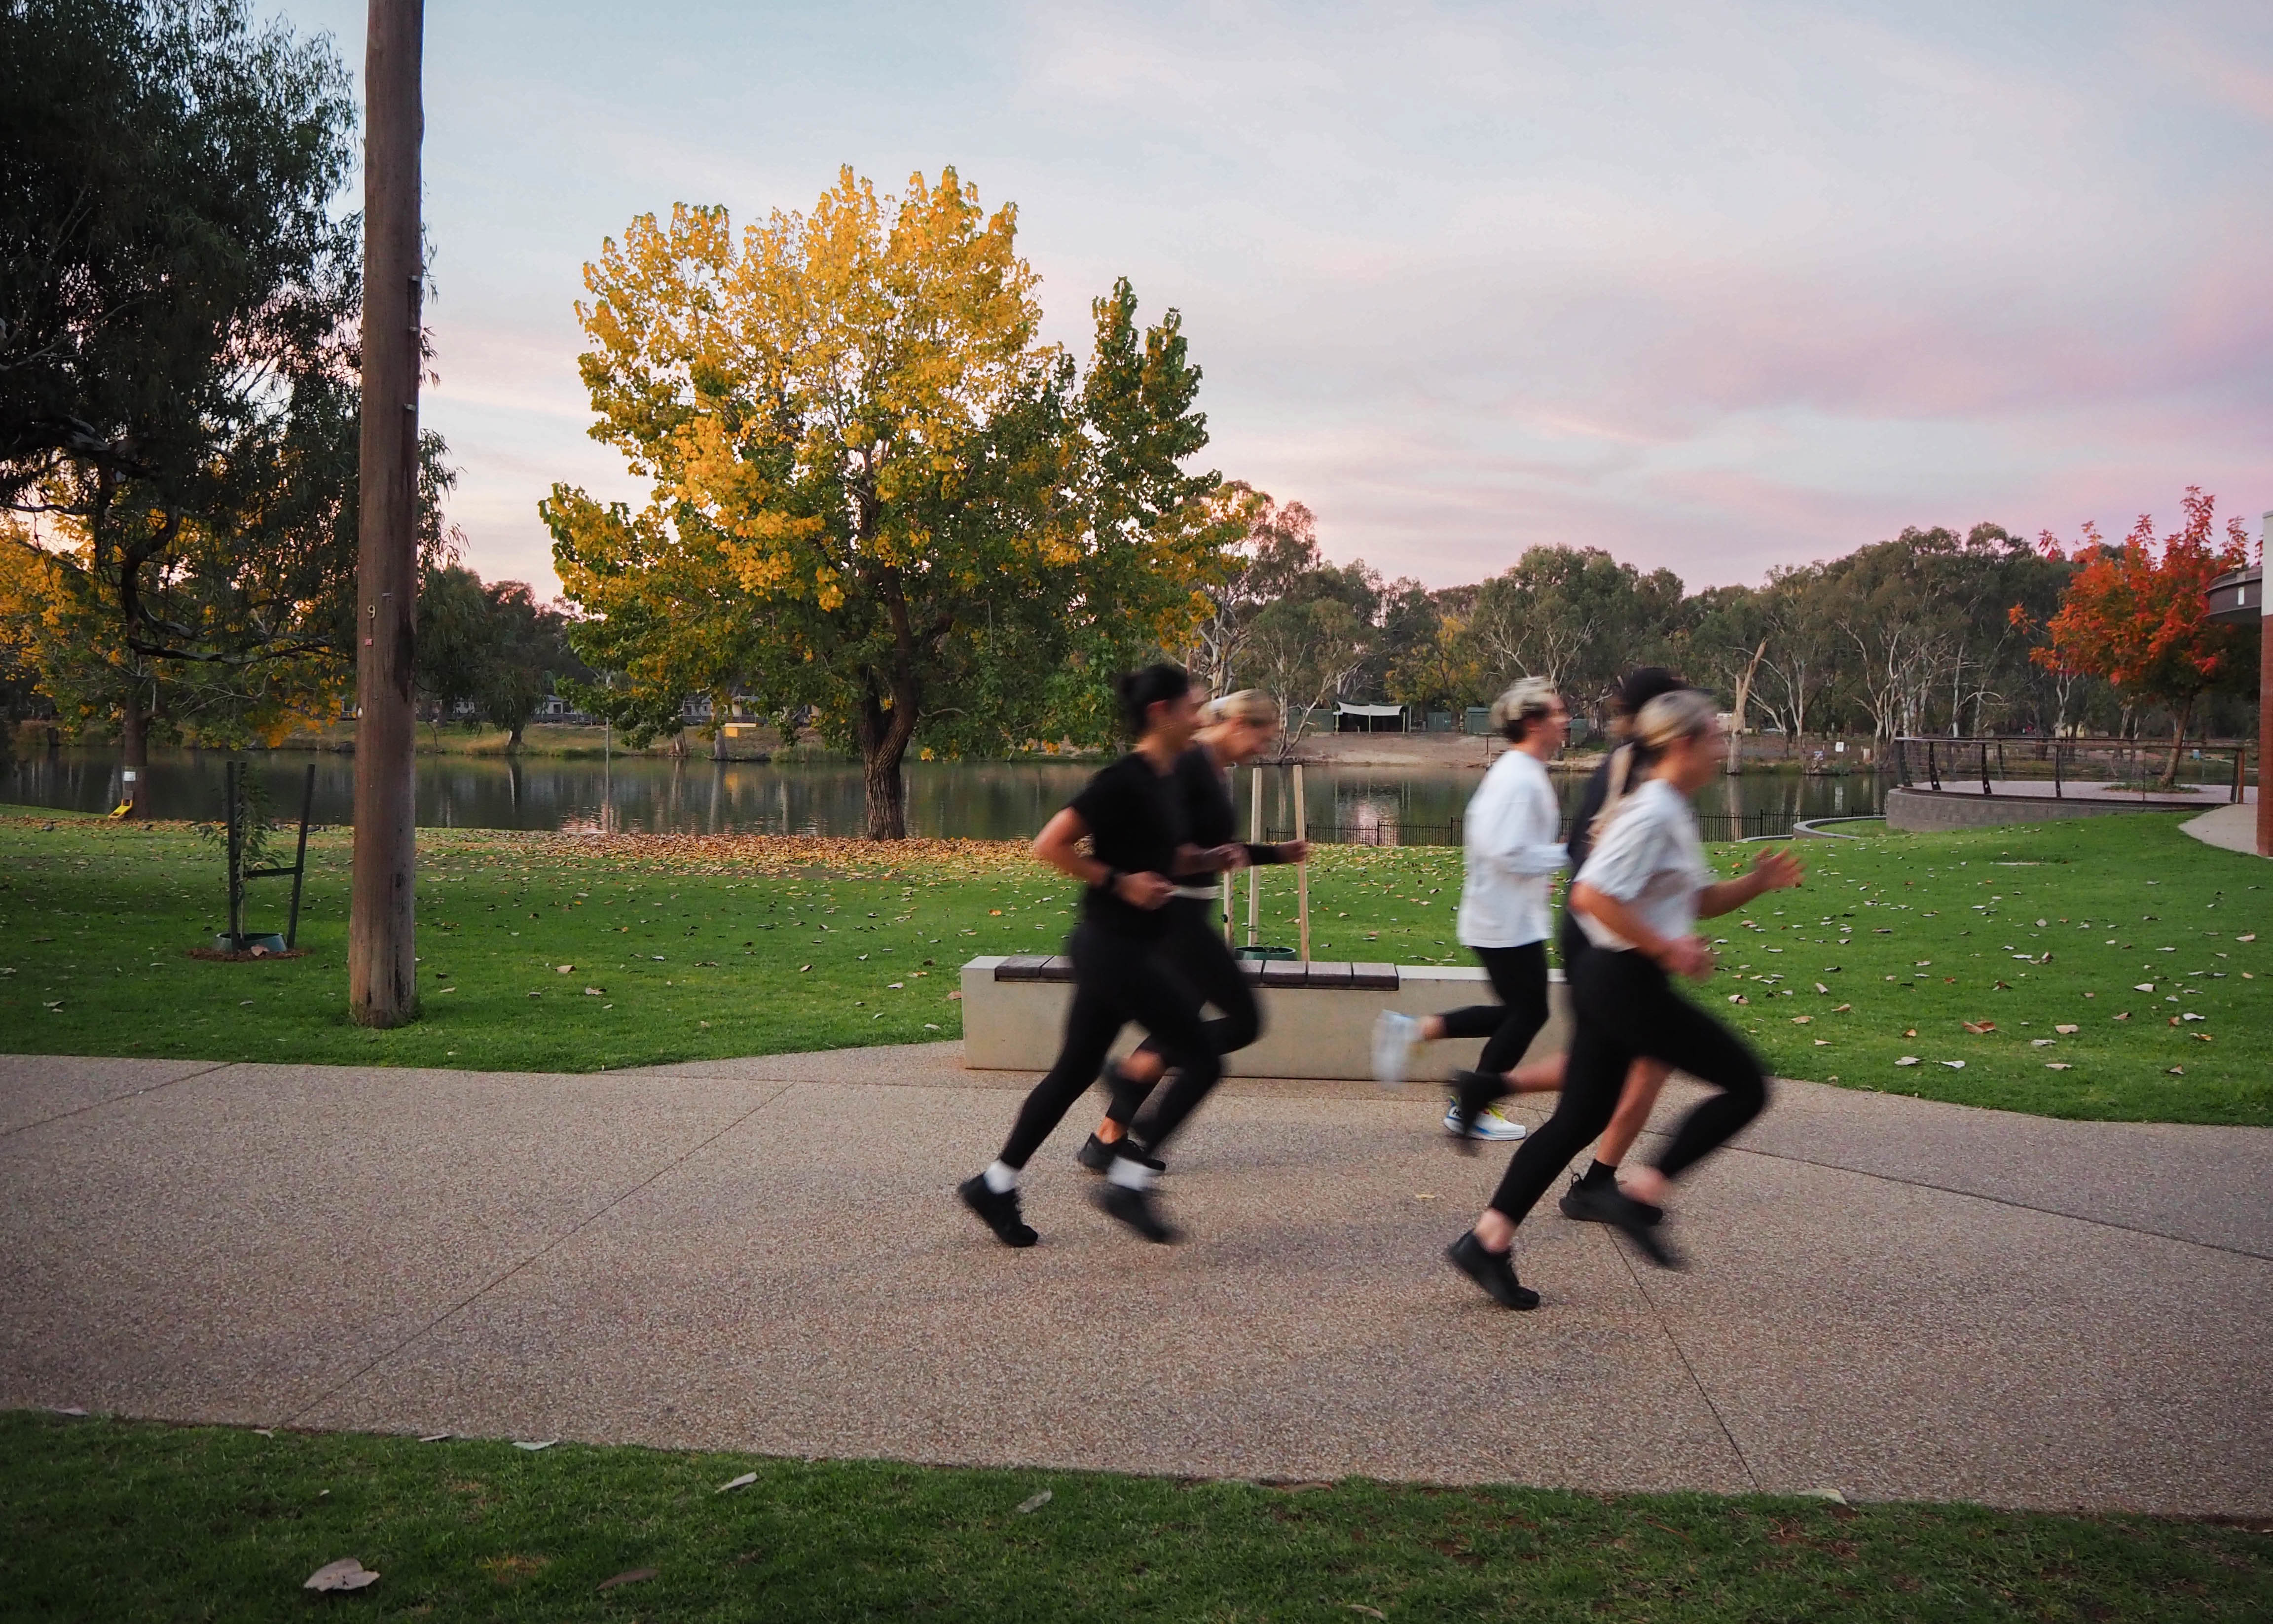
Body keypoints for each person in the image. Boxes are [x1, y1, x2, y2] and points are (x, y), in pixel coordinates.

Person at [1445, 688, 1804, 1309]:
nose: (1722, 749)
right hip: (1623, 979)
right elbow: (1590, 896)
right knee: (1746, 1084)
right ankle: (1642, 1193)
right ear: (1685, 744)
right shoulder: (1653, 811)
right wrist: (1670, 951)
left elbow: (1694, 899)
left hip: (1618, 978)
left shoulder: (1670, 808)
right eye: (1716, 738)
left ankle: (1488, 1239)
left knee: (1579, 1117)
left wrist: (1757, 882)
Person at [958, 664, 1242, 1249]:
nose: (1201, 716)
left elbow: (1173, 856)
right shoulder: (1124, 778)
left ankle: (995, 1183)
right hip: (1113, 947)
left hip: (1124, 947)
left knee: (1073, 1071)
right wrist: (1120, 880)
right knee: (1202, 1057)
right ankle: (1129, 1181)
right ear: (1161, 712)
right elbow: (1049, 843)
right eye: (1193, 706)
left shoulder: (1166, 776)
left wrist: (1217, 857)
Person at [1076, 690, 1309, 1171]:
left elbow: (1219, 847)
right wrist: (1207, 859)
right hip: (1173, 917)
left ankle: (1108, 1137)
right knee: (1241, 1022)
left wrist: (1275, 854)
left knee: (1179, 1024)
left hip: (1188, 916)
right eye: (1261, 738)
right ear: (1239, 722)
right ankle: (1133, 1094)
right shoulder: (1189, 764)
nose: (1262, 749)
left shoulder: (1212, 767)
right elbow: (1171, 845)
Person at [1369, 678, 1572, 1143]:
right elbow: (1505, 851)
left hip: (1505, 915)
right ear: (1534, 722)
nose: (1566, 721)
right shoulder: (1519, 778)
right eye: (1558, 713)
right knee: (1528, 1012)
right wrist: (1567, 854)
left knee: (1522, 1010)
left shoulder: (1521, 772)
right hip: (1503, 919)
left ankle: (1418, 1034)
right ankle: (1471, 1105)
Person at [1549, 667, 1687, 1225]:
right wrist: (1659, 940)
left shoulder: (1628, 765)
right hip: (1606, 941)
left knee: (1614, 1072)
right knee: (1613, 1081)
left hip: (1597, 938)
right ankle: (1588, 1187)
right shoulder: (1636, 770)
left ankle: (1592, 1182)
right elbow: (1596, 879)